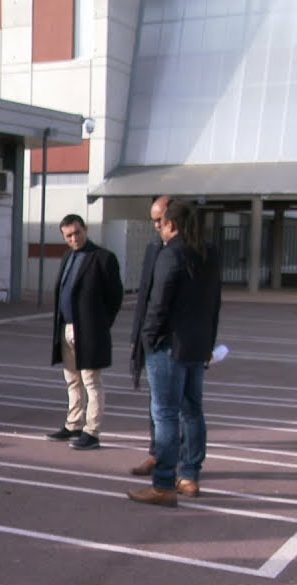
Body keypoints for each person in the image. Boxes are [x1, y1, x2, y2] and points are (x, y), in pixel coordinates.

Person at [127, 200, 222, 507]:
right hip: (197, 345)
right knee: (192, 411)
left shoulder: (171, 253)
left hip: (169, 345)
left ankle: (163, 484)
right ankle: (190, 476)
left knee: (166, 414)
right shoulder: (208, 252)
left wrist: (148, 338)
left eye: (162, 222)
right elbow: (214, 303)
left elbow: (158, 303)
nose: (159, 228)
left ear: (171, 224)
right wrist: (208, 342)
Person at [46, 214, 123, 451]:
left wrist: (101, 324)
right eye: (68, 235)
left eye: (77, 233)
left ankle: (92, 431)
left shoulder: (103, 258)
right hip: (66, 327)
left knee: (91, 381)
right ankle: (74, 424)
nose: (74, 238)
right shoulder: (68, 257)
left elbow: (115, 296)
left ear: (85, 230)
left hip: (89, 330)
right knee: (72, 380)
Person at [127, 195, 170, 476]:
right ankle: (157, 454)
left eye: (160, 219)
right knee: (157, 404)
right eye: (153, 220)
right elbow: (144, 293)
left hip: (180, 342)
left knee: (184, 408)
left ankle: (185, 467)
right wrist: (137, 334)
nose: (156, 225)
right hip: (153, 339)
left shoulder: (196, 250)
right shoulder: (154, 247)